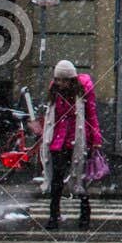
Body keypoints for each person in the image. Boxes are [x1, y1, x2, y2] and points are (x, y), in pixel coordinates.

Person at [40, 60, 100, 231]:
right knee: (57, 180)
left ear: (71, 80)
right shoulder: (55, 91)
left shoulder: (83, 92)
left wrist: (96, 139)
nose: (60, 83)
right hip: (58, 141)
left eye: (63, 80)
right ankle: (53, 216)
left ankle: (85, 215)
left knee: (80, 179)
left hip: (78, 140)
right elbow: (50, 116)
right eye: (58, 79)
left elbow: (91, 115)